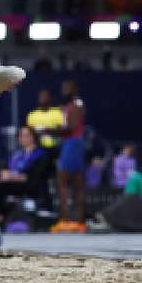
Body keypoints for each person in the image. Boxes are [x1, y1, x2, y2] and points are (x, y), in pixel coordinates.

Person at [0, 126, 50, 223]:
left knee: (0, 187)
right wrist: (2, 172)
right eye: (21, 136)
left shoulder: (40, 155)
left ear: (33, 137)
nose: (22, 138)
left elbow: (32, 176)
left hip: (30, 185)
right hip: (13, 182)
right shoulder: (17, 154)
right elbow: (3, 166)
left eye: (26, 136)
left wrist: (11, 176)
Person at [51, 79, 86, 233]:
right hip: (69, 144)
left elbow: (70, 127)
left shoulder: (77, 104)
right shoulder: (66, 107)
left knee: (65, 181)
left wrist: (49, 130)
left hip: (73, 143)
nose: (64, 90)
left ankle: (69, 220)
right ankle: (74, 220)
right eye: (63, 88)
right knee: (72, 183)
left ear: (73, 88)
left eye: (67, 88)